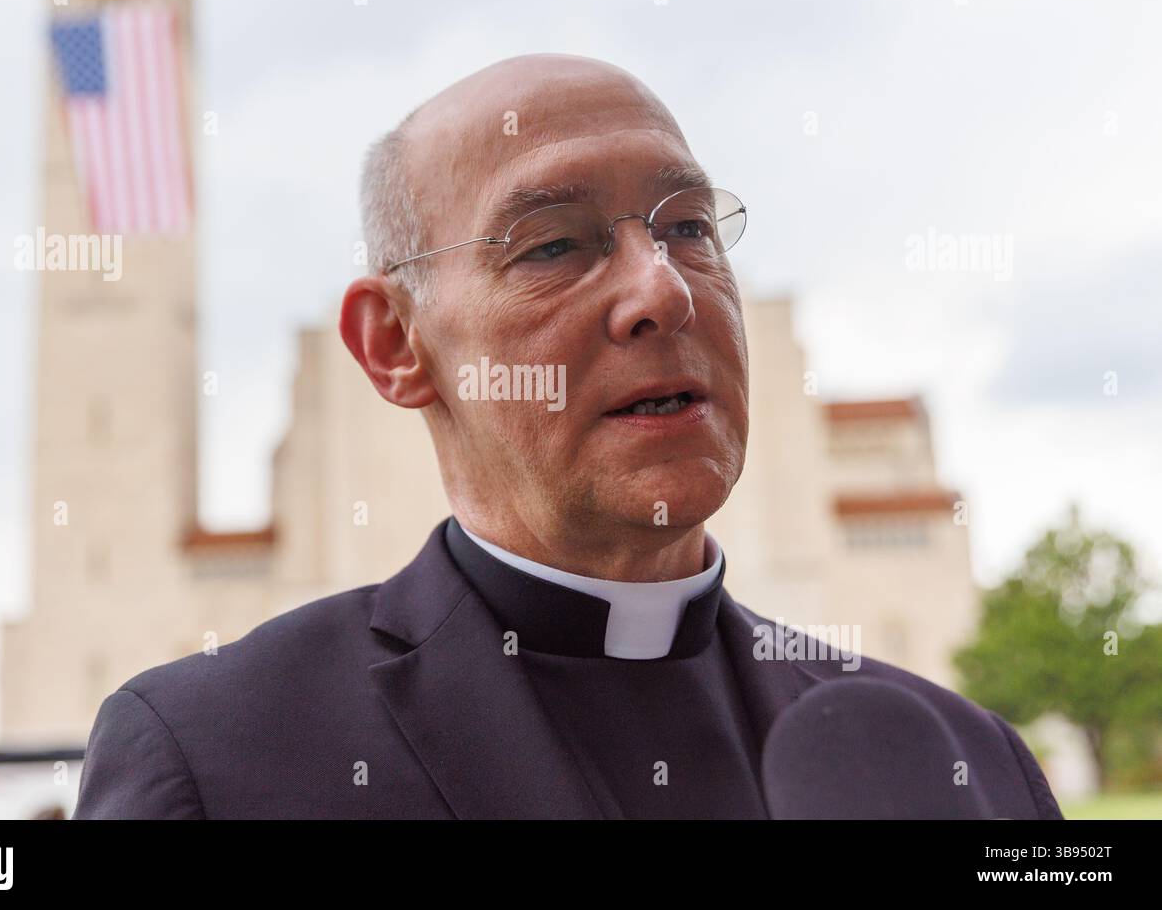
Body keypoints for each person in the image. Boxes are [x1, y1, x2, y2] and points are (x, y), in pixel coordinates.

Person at [73, 54, 1062, 819]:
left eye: (687, 228)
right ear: (396, 345)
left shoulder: (966, 761)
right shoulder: (215, 757)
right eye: (554, 244)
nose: (662, 292)